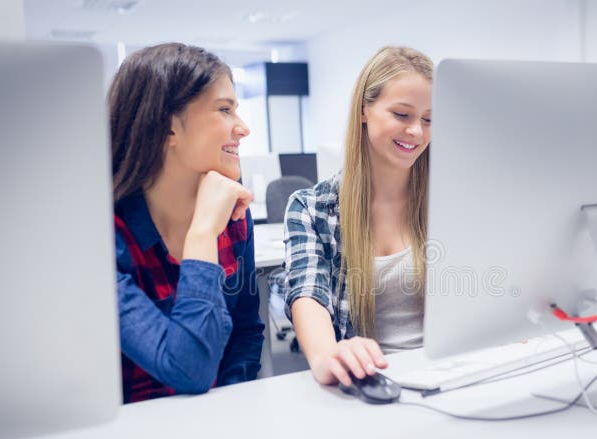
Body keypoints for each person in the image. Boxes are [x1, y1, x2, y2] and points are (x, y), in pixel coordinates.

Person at [109, 43, 264, 403]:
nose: (242, 129)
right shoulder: (104, 236)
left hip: (215, 428)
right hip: (132, 437)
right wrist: (203, 233)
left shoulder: (235, 219)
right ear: (168, 127)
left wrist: (231, 408)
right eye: (225, 110)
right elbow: (189, 368)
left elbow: (246, 332)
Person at [284, 46, 432, 387]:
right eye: (402, 114)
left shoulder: (450, 199)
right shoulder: (312, 207)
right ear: (364, 110)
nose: (417, 132)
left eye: (428, 119)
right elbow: (309, 292)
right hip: (375, 382)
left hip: (453, 374)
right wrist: (325, 355)